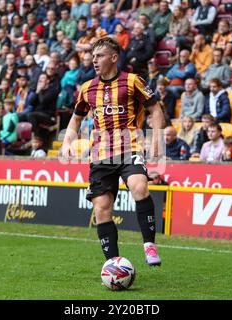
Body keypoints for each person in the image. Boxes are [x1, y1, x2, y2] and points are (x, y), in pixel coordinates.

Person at [62, 37, 165, 266]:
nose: (93, 60)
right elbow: (75, 120)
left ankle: (149, 245)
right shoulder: (87, 88)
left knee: (139, 186)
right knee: (102, 209)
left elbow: (155, 110)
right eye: (93, 56)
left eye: (99, 56)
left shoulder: (133, 81)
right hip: (100, 155)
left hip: (130, 147)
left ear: (114, 57)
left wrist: (156, 138)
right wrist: (67, 141)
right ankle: (113, 265)